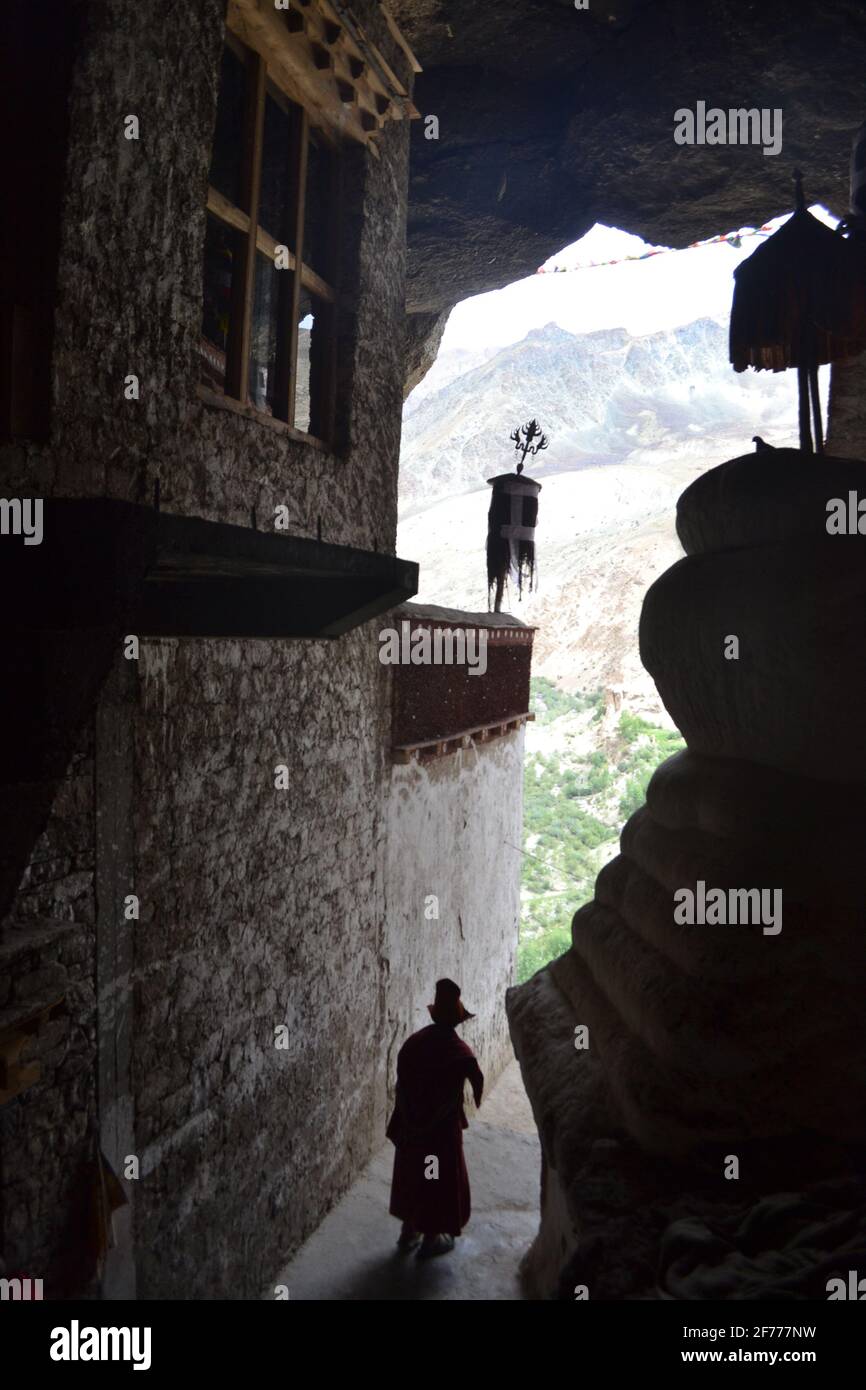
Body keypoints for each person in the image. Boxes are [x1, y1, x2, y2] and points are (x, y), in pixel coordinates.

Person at [386, 979, 484, 1258]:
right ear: (457, 1020)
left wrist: (410, 1118)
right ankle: (431, 1236)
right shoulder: (461, 1053)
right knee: (436, 1178)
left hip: (410, 1126)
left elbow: (401, 1084)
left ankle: (408, 1231)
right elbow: (477, 1083)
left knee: (414, 1172)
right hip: (439, 1134)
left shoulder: (413, 1043)